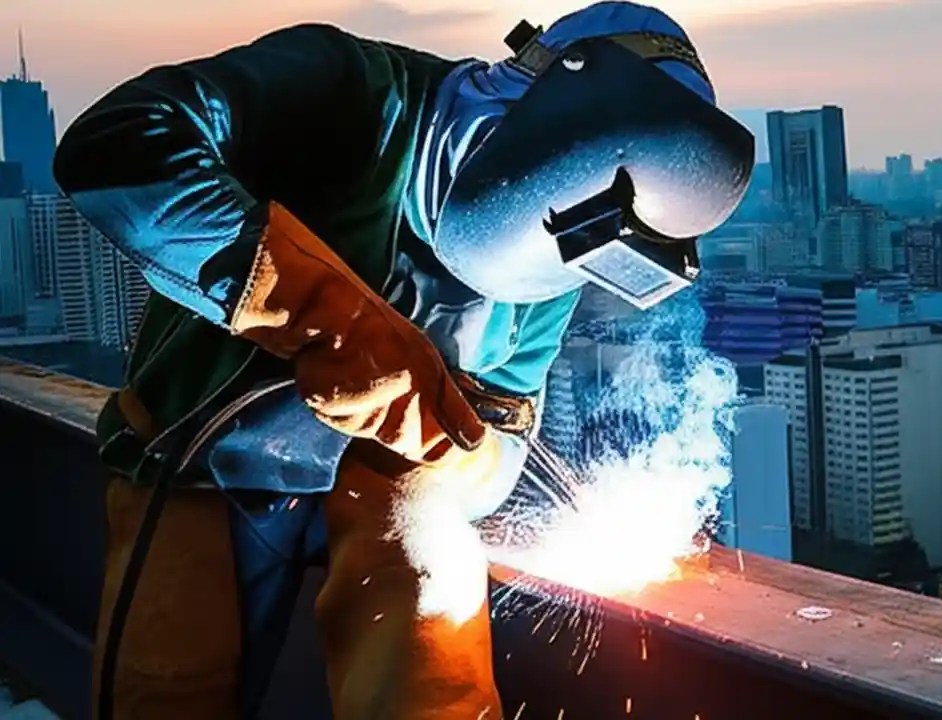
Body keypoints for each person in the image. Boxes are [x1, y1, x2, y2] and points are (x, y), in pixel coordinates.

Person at [53, 2, 752, 719]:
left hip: (382, 495)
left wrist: (462, 454)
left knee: (434, 607)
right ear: (542, 99)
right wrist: (326, 319)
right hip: (200, 456)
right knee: (171, 684)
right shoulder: (347, 89)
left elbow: (505, 425)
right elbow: (116, 145)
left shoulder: (564, 247)